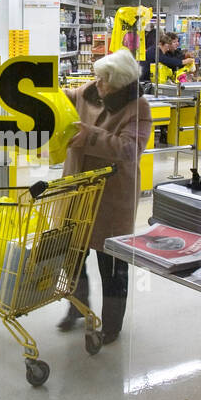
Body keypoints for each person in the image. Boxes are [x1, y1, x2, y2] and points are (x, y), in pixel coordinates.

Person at [58, 50, 153, 344]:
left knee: (111, 263)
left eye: (104, 80)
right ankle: (78, 308)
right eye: (97, 77)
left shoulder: (138, 107)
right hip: (76, 188)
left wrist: (91, 135)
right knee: (72, 255)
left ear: (121, 83)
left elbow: (129, 149)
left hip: (111, 195)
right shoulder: (89, 91)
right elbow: (64, 99)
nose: (96, 83)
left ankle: (111, 326)